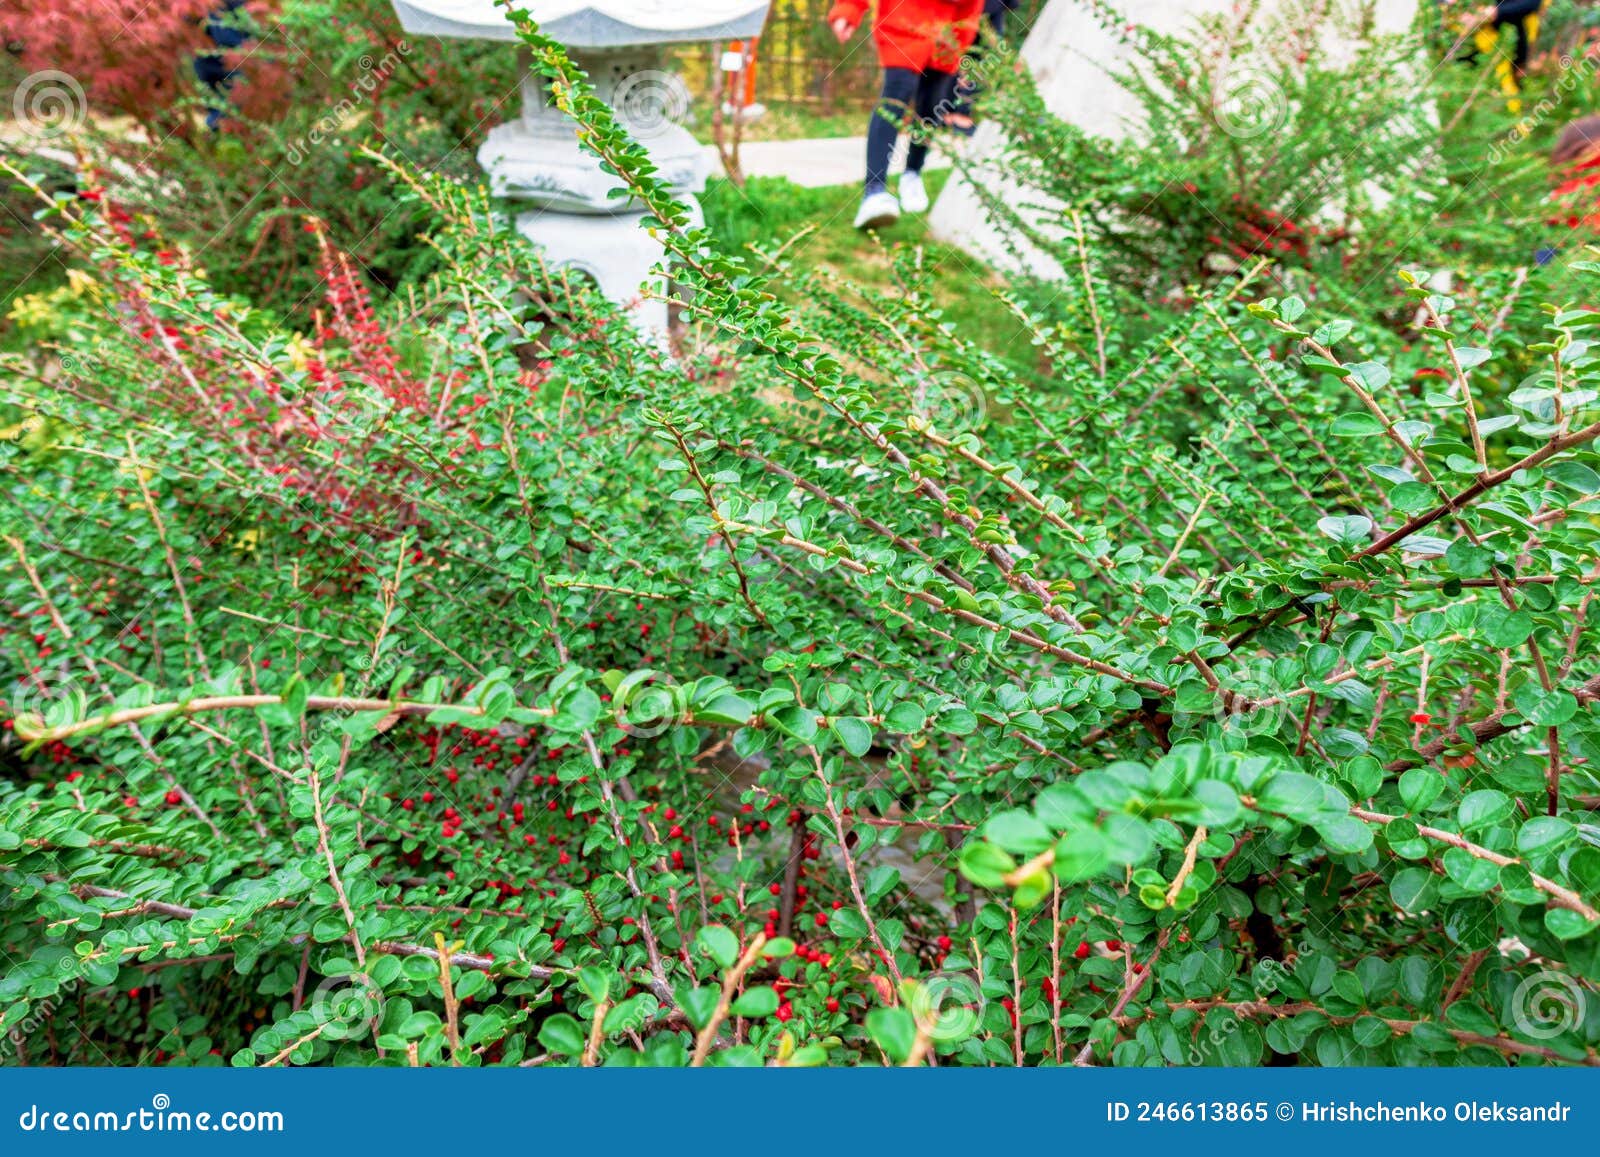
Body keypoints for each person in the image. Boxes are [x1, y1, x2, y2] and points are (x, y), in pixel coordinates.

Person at [828, 0, 985, 229]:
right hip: (902, 22)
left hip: (946, 33)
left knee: (932, 107)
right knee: (896, 97)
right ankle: (874, 191)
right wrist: (849, 9)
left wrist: (960, 40)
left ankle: (912, 173)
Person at [943, 0, 1018, 136]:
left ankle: (957, 113)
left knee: (980, 57)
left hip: (984, 11)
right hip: (971, 11)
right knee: (970, 55)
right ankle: (955, 113)